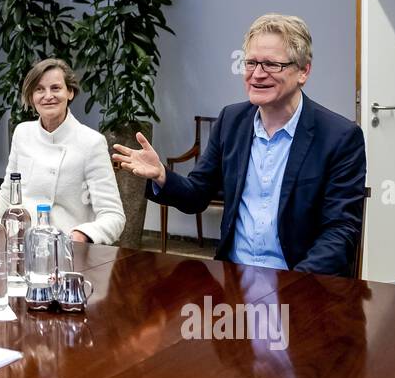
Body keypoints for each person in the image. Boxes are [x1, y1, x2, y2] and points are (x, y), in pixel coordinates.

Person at [113, 14, 366, 275]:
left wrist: (293, 287)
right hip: (234, 282)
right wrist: (162, 176)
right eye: (251, 63)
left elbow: (340, 233)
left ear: (303, 71)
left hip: (302, 284)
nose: (257, 74)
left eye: (271, 65)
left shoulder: (340, 137)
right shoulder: (232, 121)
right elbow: (197, 194)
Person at [0, 57, 125, 244]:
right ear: (31, 97)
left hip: (66, 249)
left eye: (55, 88)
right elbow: (6, 197)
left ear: (70, 92)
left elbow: (113, 215)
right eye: (39, 89)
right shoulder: (22, 133)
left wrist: (82, 235)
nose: (48, 96)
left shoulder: (91, 142)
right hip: (20, 245)